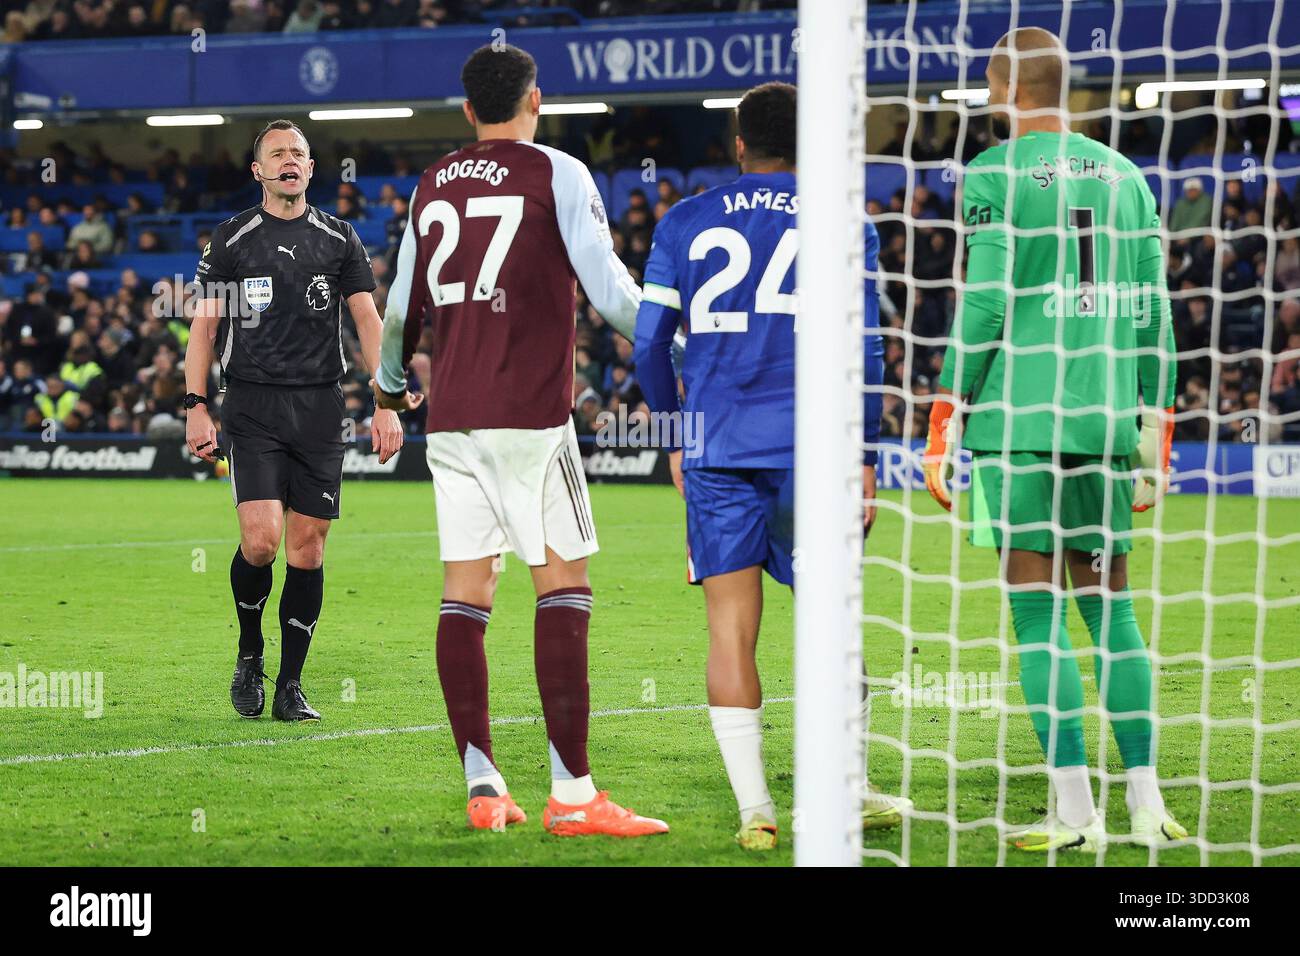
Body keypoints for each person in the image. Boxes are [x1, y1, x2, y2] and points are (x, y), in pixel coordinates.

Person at [374, 43, 667, 838]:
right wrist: (682, 337)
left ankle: (483, 786)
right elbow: (611, 294)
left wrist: (389, 387)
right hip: (533, 418)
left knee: (465, 593)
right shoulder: (557, 172)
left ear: (468, 111)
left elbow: (400, 306)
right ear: (536, 100)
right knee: (562, 585)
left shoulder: (432, 183)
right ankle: (573, 795)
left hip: (453, 416)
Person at [922, 27, 1184, 852]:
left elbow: (990, 300)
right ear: (1066, 90)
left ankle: (1076, 814)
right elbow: (1155, 311)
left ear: (1002, 90)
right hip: (1107, 425)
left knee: (1037, 621)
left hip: (1018, 427)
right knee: (1114, 614)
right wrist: (1155, 426)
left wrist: (945, 410)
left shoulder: (993, 174)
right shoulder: (1128, 177)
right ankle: (1146, 801)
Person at [634, 81, 911, 851]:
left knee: (730, 627)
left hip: (719, 448)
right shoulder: (841, 221)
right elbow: (867, 347)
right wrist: (862, 455)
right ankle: (849, 791)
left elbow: (651, 343)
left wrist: (678, 431)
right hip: (813, 455)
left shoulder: (684, 220)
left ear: (737, 144)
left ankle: (755, 808)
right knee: (835, 625)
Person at [185, 119, 408, 723]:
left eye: (300, 154)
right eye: (277, 153)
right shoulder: (233, 239)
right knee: (261, 542)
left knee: (307, 552)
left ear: (311, 169)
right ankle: (249, 652)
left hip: (320, 407)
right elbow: (203, 327)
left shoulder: (338, 238)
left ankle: (289, 684)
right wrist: (196, 405)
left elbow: (368, 321)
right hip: (252, 405)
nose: (290, 160)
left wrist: (385, 402)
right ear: (258, 170)